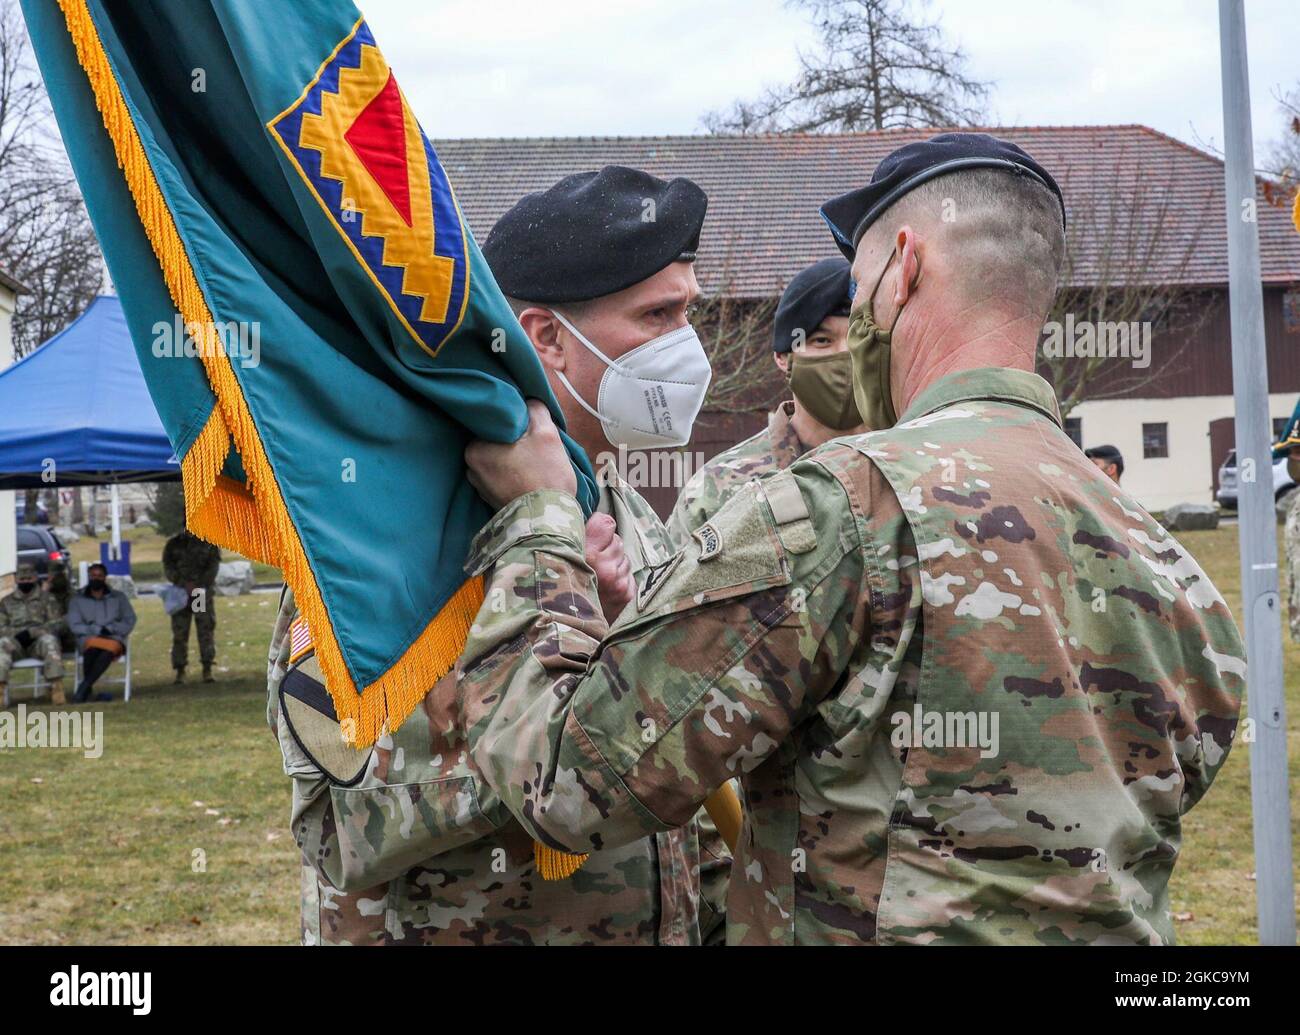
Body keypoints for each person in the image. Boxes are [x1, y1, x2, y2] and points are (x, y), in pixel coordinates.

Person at [457, 132, 1247, 945]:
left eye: (861, 286)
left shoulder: (838, 511)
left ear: (904, 267)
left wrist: (539, 523)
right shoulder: (1172, 565)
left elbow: (570, 785)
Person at [265, 165, 728, 944]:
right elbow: (339, 825)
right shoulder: (397, 536)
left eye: (690, 312)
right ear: (546, 335)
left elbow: (684, 787)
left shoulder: (630, 515)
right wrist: (570, 645)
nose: (687, 345)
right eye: (658, 314)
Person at [668, 256, 864, 544]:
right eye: (822, 341)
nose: (845, 354)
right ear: (783, 358)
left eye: (859, 338)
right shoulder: (718, 490)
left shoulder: (914, 462)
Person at [67, 562, 136, 702]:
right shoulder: (77, 599)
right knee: (91, 650)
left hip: (113, 637)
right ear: (88, 577)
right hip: (89, 638)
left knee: (106, 651)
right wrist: (94, 629)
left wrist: (112, 628)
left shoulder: (118, 597)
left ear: (105, 578)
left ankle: (84, 688)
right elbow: (74, 624)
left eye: (99, 576)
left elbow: (130, 619)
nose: (96, 579)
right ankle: (85, 690)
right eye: (93, 576)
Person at [0, 563, 66, 705]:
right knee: (1, 644)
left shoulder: (48, 599)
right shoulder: (6, 602)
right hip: (15, 643)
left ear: (35, 578)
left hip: (39, 641)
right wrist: (17, 635)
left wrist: (34, 632)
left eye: (29, 579)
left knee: (50, 641)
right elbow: (1, 627)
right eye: (22, 579)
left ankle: (56, 689)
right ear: (16, 580)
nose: (25, 582)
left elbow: (58, 624)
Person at [162, 529, 221, 683]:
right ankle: (180, 669)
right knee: (180, 632)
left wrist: (197, 586)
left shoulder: (208, 543)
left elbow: (213, 568)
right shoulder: (174, 544)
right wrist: (183, 584)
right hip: (180, 594)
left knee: (204, 630)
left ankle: (207, 668)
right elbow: (168, 567)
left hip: (200, 594)